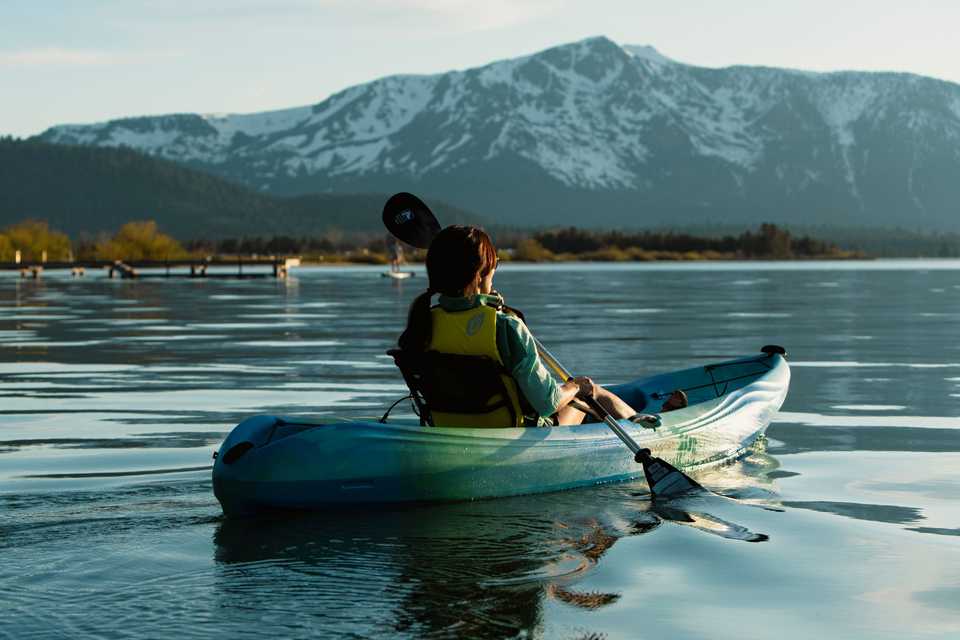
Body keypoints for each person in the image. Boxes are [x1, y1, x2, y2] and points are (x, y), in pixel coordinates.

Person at [398, 225, 637, 427]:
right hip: (516, 433)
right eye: (495, 263)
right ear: (482, 272)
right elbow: (547, 403)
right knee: (590, 392)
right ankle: (642, 427)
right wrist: (574, 387)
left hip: (450, 428)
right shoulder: (505, 326)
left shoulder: (422, 322)